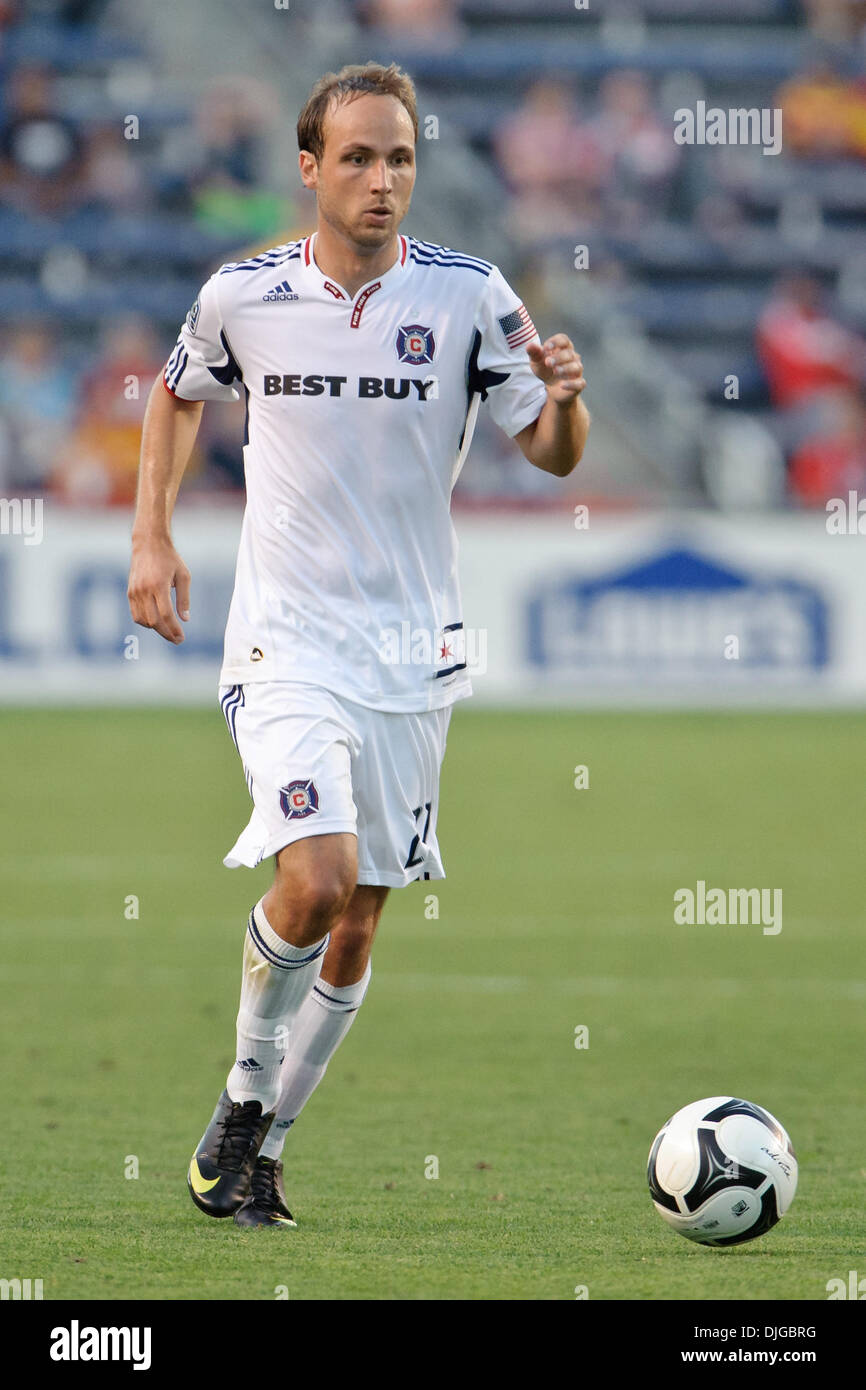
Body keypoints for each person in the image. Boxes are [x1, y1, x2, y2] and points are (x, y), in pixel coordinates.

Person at [127, 62, 589, 1230]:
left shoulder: (473, 297)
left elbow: (551, 452)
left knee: (362, 915)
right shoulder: (243, 294)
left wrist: (568, 400)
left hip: (411, 652)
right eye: (357, 158)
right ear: (308, 168)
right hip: (283, 639)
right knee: (316, 876)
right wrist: (152, 537)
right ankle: (242, 1093)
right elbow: (177, 393)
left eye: (399, 159)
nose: (382, 181)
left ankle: (266, 1149)